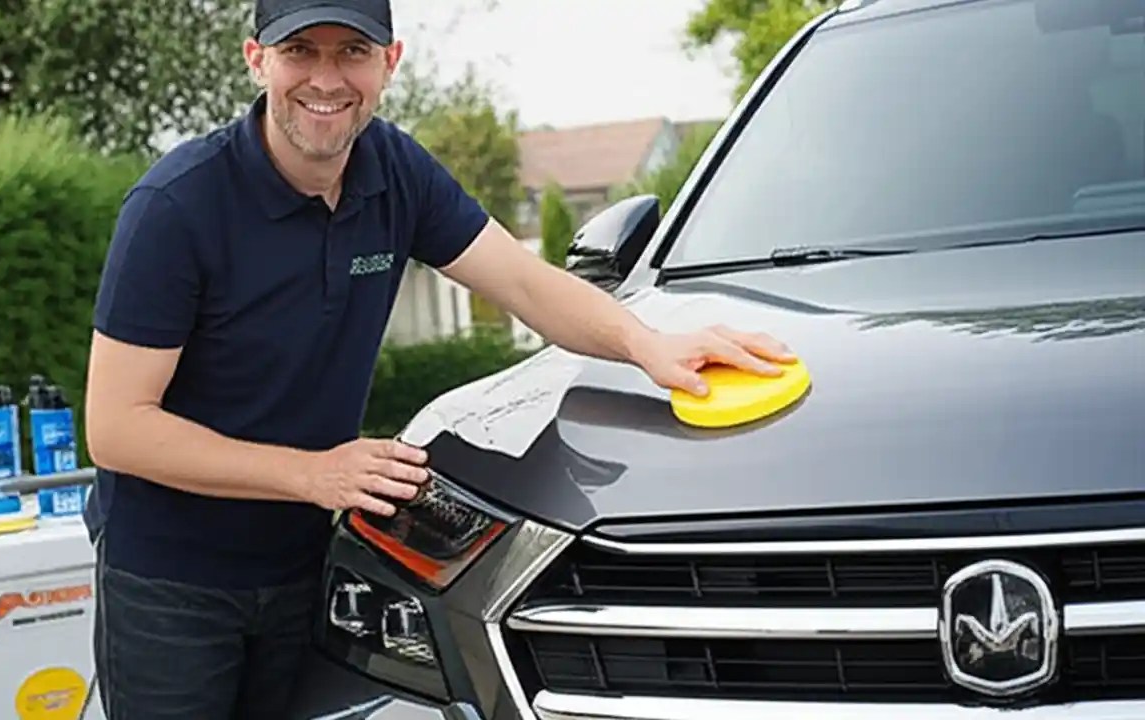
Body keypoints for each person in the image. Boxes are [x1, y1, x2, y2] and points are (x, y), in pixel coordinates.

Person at [81, 0, 797, 717]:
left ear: (389, 63)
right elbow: (117, 428)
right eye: (300, 50)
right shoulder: (178, 206)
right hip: (169, 580)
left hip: (304, 565)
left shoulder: (394, 171)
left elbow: (520, 281)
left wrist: (650, 344)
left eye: (351, 52)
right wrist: (314, 472)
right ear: (255, 58)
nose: (326, 79)